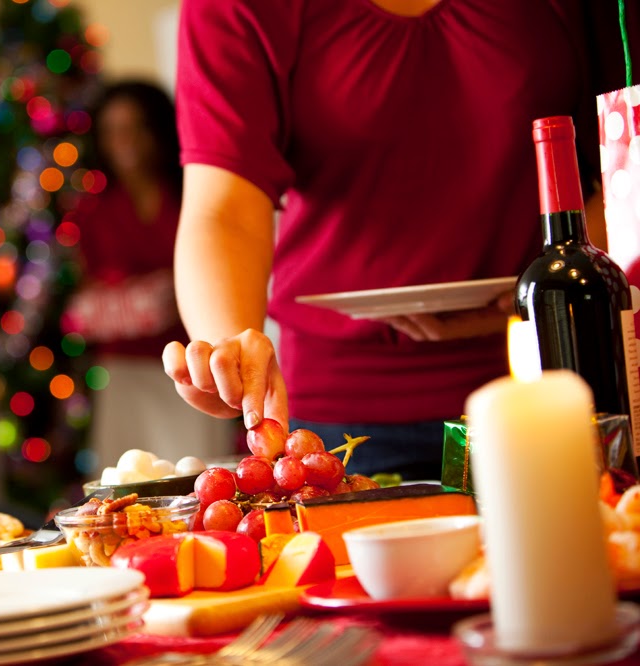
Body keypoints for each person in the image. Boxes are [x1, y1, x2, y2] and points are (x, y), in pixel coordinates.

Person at [161, 0, 631, 479]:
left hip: (562, 377)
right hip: (342, 414)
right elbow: (223, 209)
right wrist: (230, 351)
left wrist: (540, 295)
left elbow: (624, 160)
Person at [66, 80, 236, 470]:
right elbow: (87, 286)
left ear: (157, 130)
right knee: (130, 476)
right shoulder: (93, 211)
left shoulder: (191, 196)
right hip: (123, 372)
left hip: (192, 367)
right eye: (112, 130)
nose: (123, 141)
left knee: (200, 473)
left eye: (135, 127)